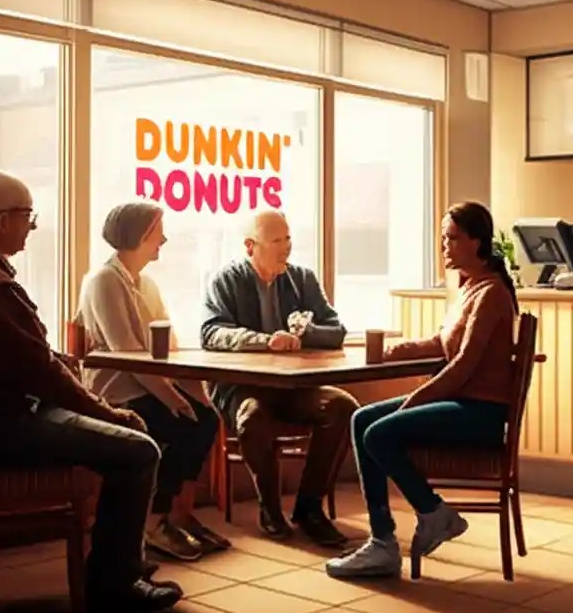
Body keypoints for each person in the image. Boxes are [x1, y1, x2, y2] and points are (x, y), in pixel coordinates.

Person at [0, 171, 182, 613]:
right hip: (7, 427)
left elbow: (28, 357)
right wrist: (110, 413)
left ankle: (120, 563)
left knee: (132, 442)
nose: (33, 226)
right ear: (2, 221)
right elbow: (40, 374)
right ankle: (114, 585)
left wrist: (57, 361)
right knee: (139, 449)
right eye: (28, 216)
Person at [325, 201, 519, 579]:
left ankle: (433, 513)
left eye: (452, 238)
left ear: (477, 242)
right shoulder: (470, 287)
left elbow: (463, 365)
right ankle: (383, 541)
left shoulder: (492, 293)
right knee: (361, 417)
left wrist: (416, 400)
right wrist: (393, 351)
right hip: (462, 403)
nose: (444, 246)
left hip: (481, 414)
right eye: (443, 238)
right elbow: (443, 342)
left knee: (380, 433)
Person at [78, 202, 229, 562]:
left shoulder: (146, 284)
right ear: (141, 235)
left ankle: (180, 513)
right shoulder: (102, 280)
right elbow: (127, 354)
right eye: (158, 230)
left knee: (206, 419)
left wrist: (194, 393)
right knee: (178, 426)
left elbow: (169, 346)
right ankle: (156, 522)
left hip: (149, 386)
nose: (163, 238)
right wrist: (172, 398)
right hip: (116, 392)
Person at [200, 209, 355, 547]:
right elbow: (211, 332)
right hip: (242, 387)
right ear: (250, 246)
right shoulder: (225, 280)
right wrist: (264, 341)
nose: (286, 247)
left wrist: (306, 332)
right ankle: (269, 508)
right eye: (276, 241)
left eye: (288, 238)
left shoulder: (302, 278)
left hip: (293, 386)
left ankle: (309, 508)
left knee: (342, 406)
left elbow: (336, 331)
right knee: (253, 416)